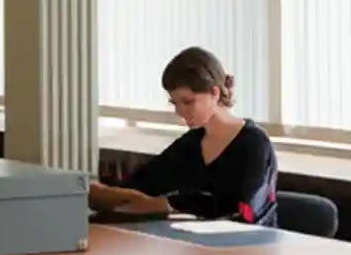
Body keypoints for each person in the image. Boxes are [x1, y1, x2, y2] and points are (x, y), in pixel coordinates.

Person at [92, 47, 278, 226]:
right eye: (175, 103)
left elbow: (242, 210)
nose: (179, 111)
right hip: (199, 250)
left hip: (252, 250)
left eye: (187, 102)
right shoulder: (190, 144)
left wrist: (173, 203)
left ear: (214, 93)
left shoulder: (255, 144)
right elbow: (139, 186)